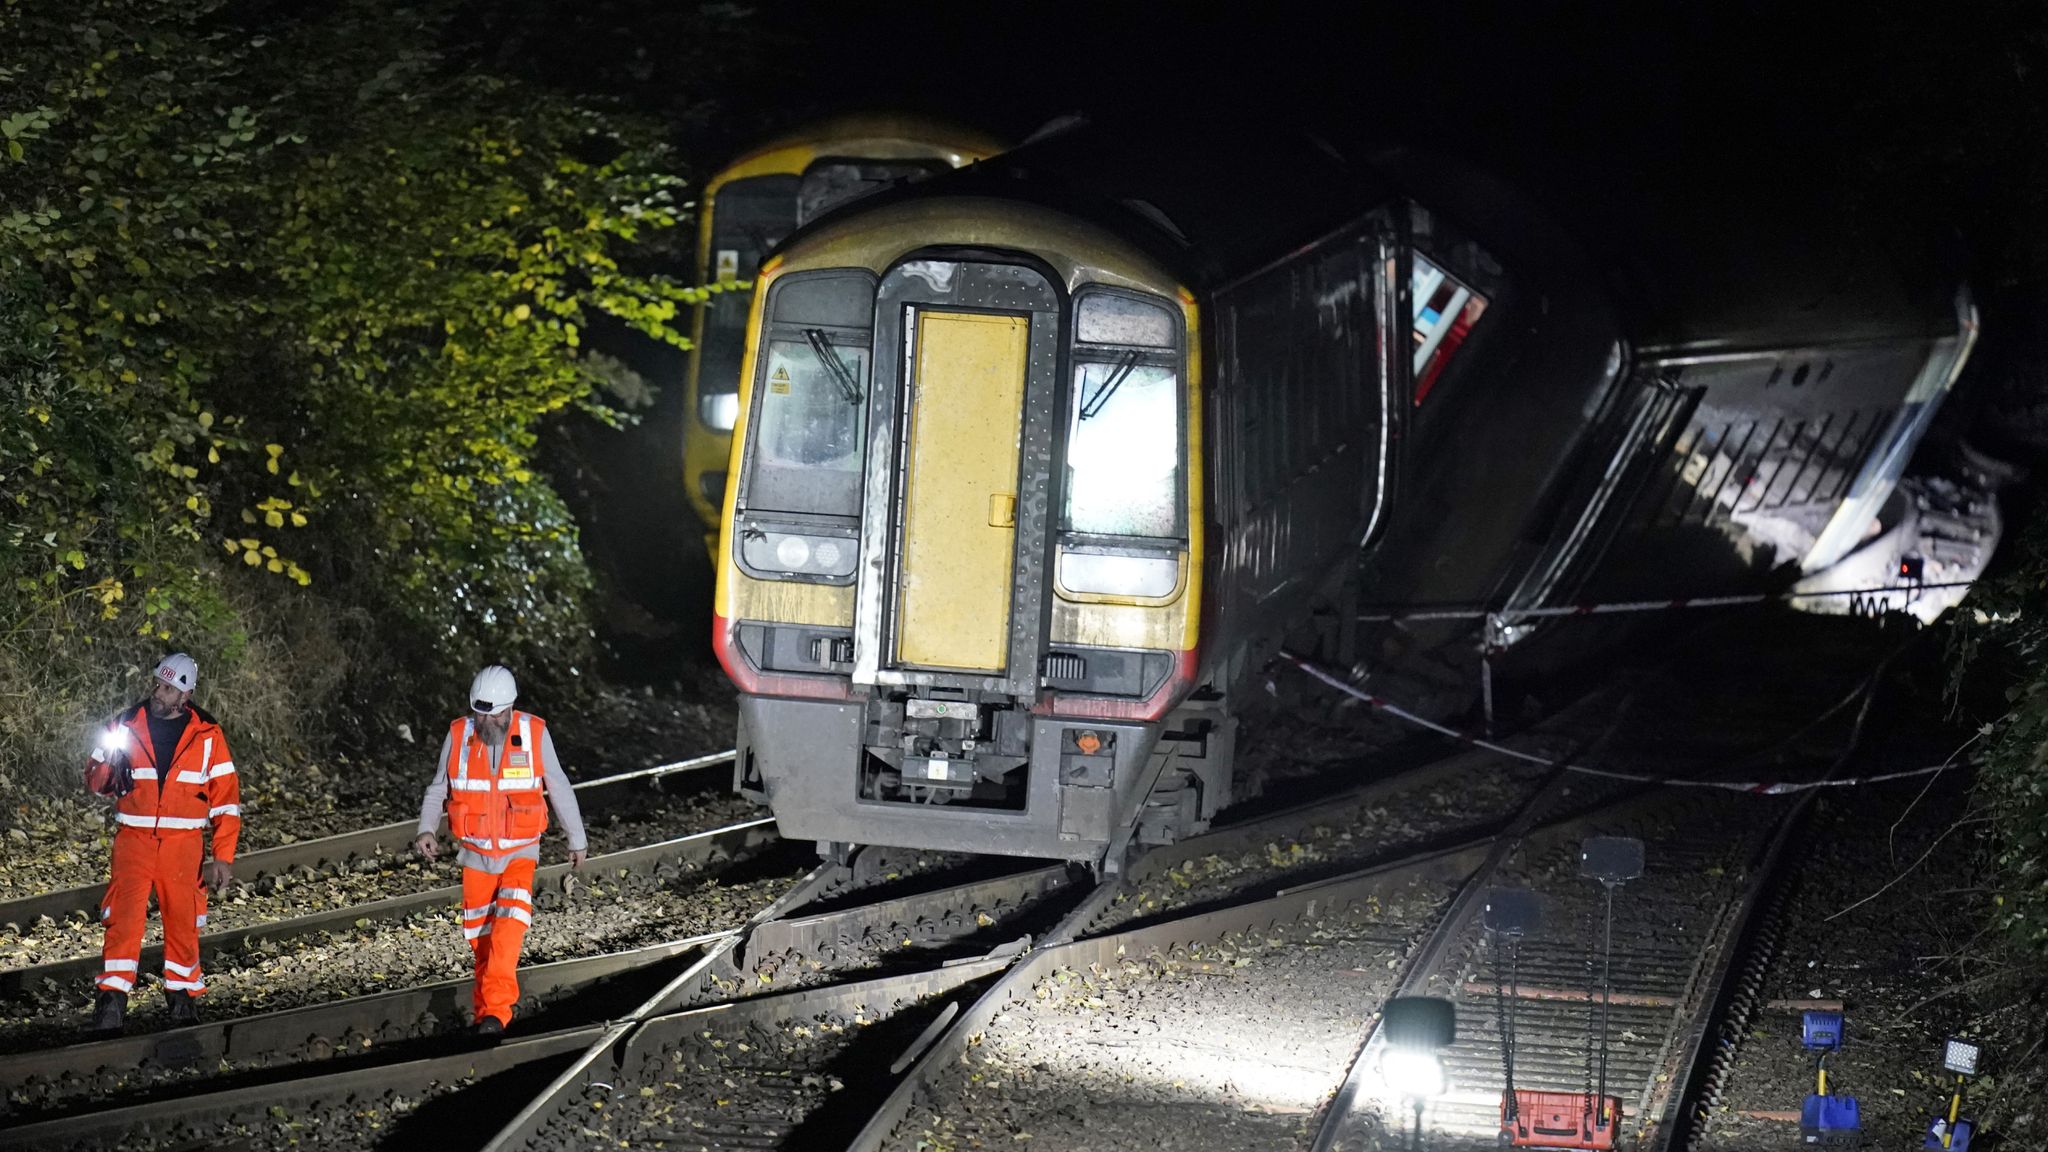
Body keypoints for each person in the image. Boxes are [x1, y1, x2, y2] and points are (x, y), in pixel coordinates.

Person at [413, 665, 586, 1035]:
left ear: (509, 710)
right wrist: (427, 828)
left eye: (491, 715)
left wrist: (577, 838)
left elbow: (558, 786)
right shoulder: (459, 734)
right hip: (475, 855)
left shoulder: (534, 733)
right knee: (482, 940)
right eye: (479, 713)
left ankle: (497, 1013)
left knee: (509, 925)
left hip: (520, 852)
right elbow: (438, 788)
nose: (484, 720)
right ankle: (485, 1016)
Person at [83, 653, 240, 1033]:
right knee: (122, 920)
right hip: (133, 840)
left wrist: (223, 856)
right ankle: (111, 1003)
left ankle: (182, 999)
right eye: (157, 684)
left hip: (182, 845)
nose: (158, 692)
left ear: (185, 696)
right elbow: (95, 782)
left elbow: (226, 800)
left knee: (184, 922)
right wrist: (107, 760)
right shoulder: (125, 724)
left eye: (168, 688)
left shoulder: (208, 734)